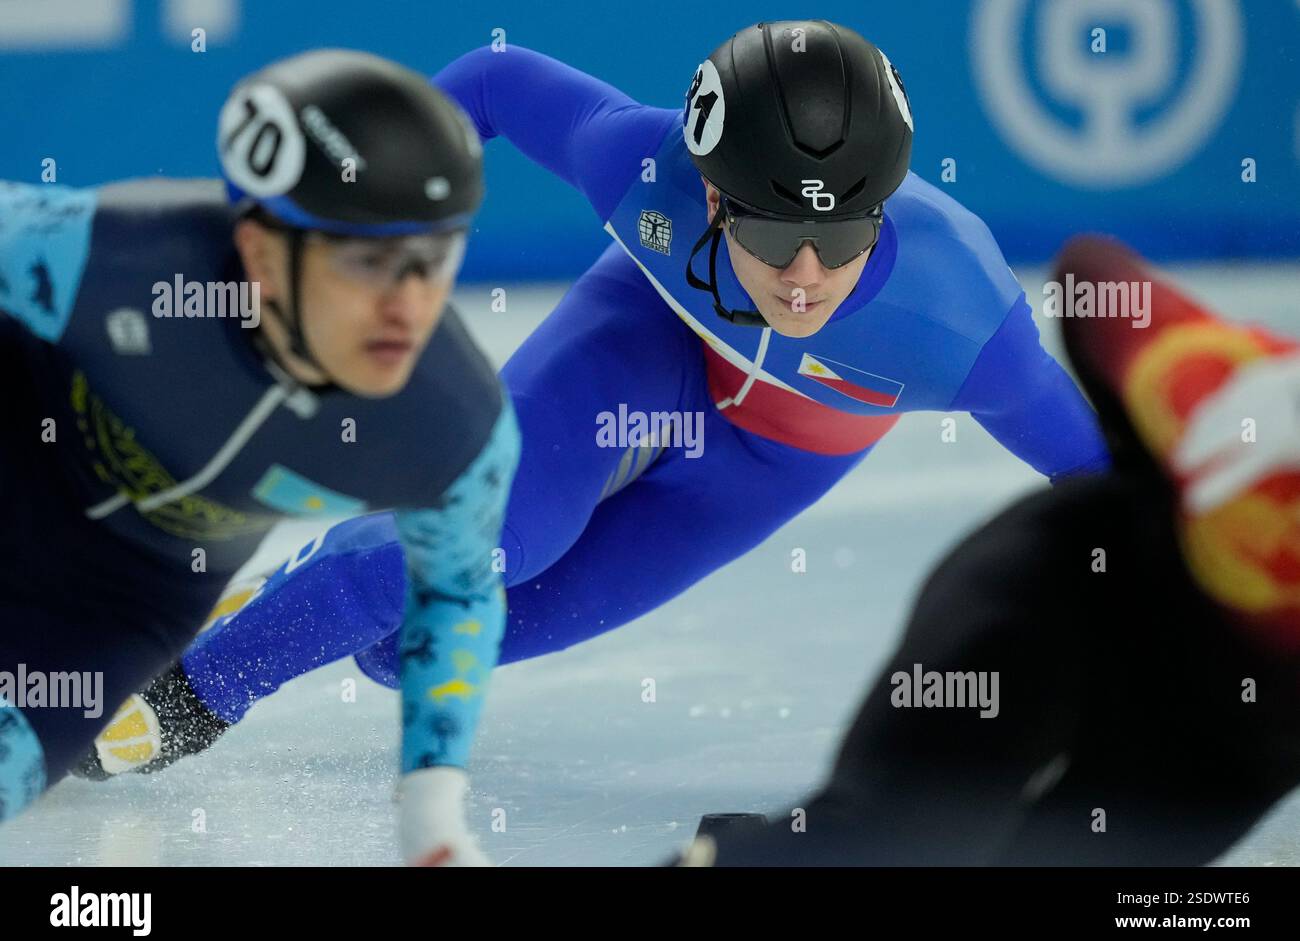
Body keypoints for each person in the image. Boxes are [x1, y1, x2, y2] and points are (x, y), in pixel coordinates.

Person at [77, 21, 1110, 779]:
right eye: (765, 235)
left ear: (880, 212)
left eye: (839, 239)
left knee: (405, 650)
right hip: (635, 350)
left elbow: (1113, 480)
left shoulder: (964, 327)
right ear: (710, 197)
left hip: (764, 465)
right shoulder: (643, 164)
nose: (802, 275)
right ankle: (182, 694)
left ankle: (306, 582)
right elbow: (489, 79)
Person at [0, 49, 520, 866]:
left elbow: (456, 594)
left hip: (117, 607)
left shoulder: (452, 427)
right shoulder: (123, 261)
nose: (409, 305)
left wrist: (432, 807)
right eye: (367, 260)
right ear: (263, 251)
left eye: (435, 258)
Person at [685, 236, 1300, 866]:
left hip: (1242, 725)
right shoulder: (1228, 389)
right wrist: (1147, 465)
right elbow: (1092, 277)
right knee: (889, 842)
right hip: (1070, 593)